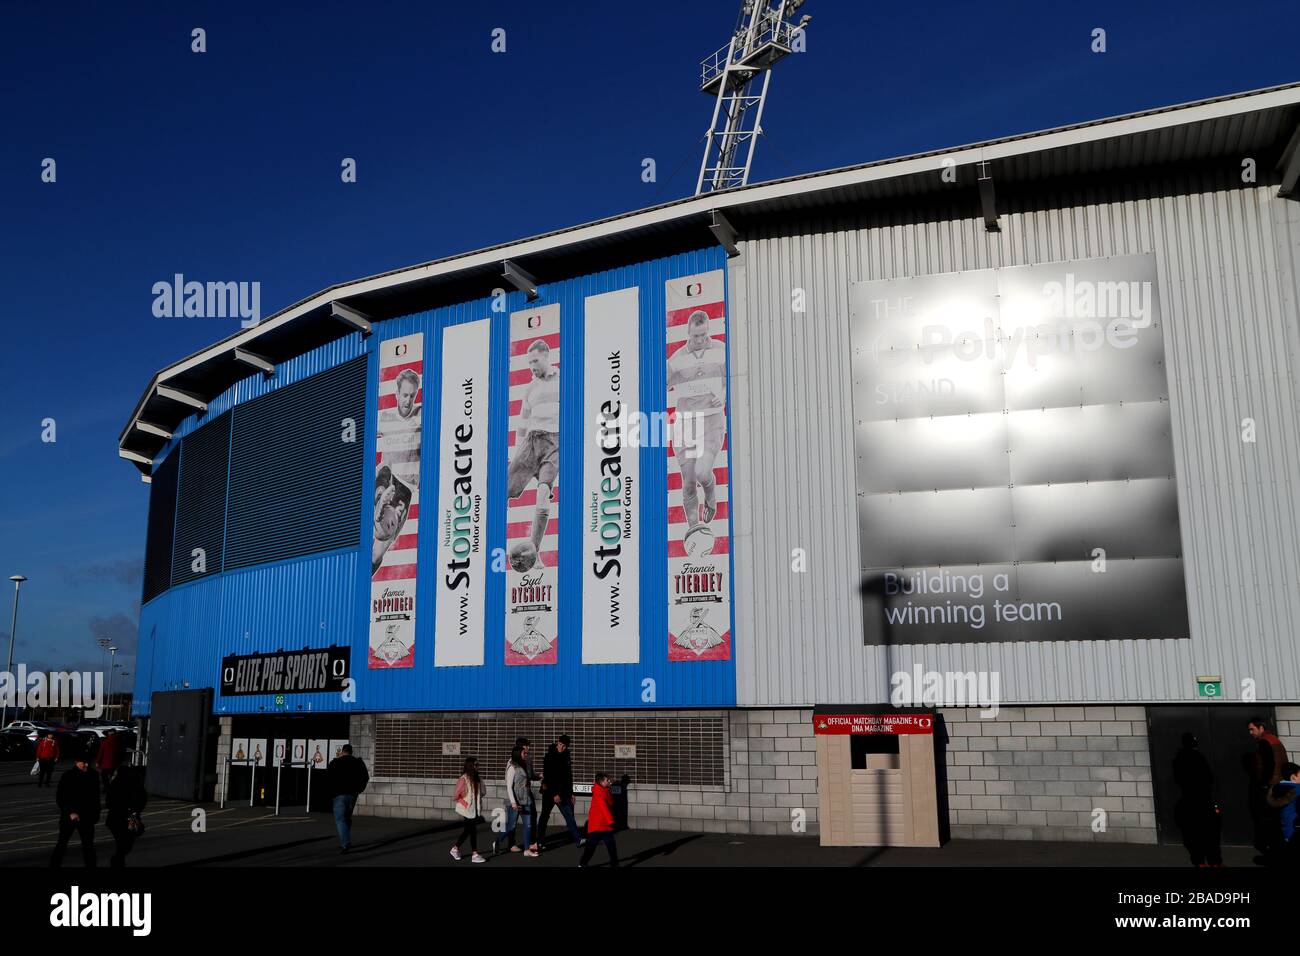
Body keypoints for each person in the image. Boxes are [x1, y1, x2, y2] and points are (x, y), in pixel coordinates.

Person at [666, 310, 727, 530]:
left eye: (703, 335)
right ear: (688, 333)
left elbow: (734, 377)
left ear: (707, 330)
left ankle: (710, 493)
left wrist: (724, 393)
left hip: (711, 422)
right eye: (695, 336)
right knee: (689, 483)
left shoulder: (721, 350)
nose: (700, 340)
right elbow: (658, 383)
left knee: (702, 471)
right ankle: (694, 530)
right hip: (685, 425)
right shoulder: (677, 359)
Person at [505, 339, 559, 573]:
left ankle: (534, 554)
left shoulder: (562, 380)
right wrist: (516, 452)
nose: (532, 366)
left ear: (547, 356)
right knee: (502, 491)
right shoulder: (530, 388)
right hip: (531, 442)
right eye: (529, 362)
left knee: (543, 494)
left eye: (535, 361)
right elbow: (523, 423)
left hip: (554, 441)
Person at [1172, 733, 1221, 867]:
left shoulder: (1178, 759)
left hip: (1189, 799)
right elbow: (1209, 777)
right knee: (1210, 831)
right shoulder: (1199, 757)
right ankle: (1214, 861)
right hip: (1203, 799)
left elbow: (1177, 779)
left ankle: (1199, 862)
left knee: (1193, 832)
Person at [1248, 717, 1289, 857]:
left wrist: (1263, 784)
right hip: (1279, 783)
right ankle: (1279, 849)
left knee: (1269, 821)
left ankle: (1273, 851)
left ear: (1261, 728)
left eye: (1252, 729)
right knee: (1277, 819)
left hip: (1270, 785)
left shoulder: (1264, 743)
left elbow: (1268, 766)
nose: (1250, 732)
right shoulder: (1275, 740)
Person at [50, 757, 100, 868]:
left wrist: (96, 814)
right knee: (62, 844)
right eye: (83, 762)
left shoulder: (94, 775)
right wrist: (70, 812)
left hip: (87, 816)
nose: (86, 765)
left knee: (88, 846)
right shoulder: (68, 776)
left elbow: (95, 797)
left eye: (88, 762)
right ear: (76, 762)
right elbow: (61, 797)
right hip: (70, 816)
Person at [538, 734, 583, 848]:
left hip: (563, 792)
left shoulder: (566, 756)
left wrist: (572, 792)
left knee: (568, 815)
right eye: (560, 745)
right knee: (544, 816)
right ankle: (540, 841)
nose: (562, 747)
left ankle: (578, 839)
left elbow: (568, 776)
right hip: (550, 793)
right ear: (557, 742)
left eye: (564, 746)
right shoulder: (549, 756)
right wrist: (554, 794)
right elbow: (548, 777)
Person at [495, 745, 537, 857]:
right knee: (511, 826)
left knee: (528, 824)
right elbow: (509, 786)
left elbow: (529, 777)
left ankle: (527, 850)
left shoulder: (524, 764)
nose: (526, 755)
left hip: (526, 798)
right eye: (524, 753)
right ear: (518, 754)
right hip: (515, 800)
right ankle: (498, 841)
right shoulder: (512, 767)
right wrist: (513, 803)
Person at [326, 744, 369, 852]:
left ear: (342, 751)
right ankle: (346, 840)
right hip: (352, 794)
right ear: (351, 752)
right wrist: (359, 790)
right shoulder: (358, 763)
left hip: (339, 794)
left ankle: (345, 843)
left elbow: (328, 778)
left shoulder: (335, 763)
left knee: (340, 819)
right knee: (347, 818)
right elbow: (365, 777)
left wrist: (331, 793)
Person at [104, 765, 148, 868]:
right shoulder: (136, 786)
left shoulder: (116, 784)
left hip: (117, 818)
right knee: (125, 844)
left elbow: (108, 802)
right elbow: (142, 801)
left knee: (123, 844)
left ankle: (118, 861)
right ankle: (118, 862)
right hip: (124, 818)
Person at [451, 756, 487, 863]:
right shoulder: (463, 779)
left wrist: (478, 795)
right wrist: (465, 803)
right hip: (466, 809)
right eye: (476, 765)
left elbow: (483, 792)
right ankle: (475, 854)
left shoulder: (477, 778)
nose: (478, 767)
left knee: (468, 830)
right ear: (470, 766)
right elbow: (456, 796)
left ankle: (455, 848)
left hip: (474, 809)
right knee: (473, 831)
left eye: (478, 765)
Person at [578, 772, 618, 868]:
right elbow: (603, 807)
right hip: (598, 824)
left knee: (611, 845)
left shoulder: (605, 789)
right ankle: (582, 863)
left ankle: (614, 864)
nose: (609, 781)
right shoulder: (598, 791)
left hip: (604, 824)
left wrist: (609, 789)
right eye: (607, 780)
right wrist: (611, 821)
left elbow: (611, 803)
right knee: (591, 847)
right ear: (601, 782)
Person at [1265, 762, 1300, 865]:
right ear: (1293, 777)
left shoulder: (1276, 788)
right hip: (1295, 829)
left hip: (1281, 830)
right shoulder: (1298, 790)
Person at [95, 729, 122, 794]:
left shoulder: (105, 741)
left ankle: (107, 789)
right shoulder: (118, 741)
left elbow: (101, 752)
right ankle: (108, 788)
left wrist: (98, 761)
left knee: (104, 776)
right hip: (115, 762)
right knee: (112, 776)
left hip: (106, 763)